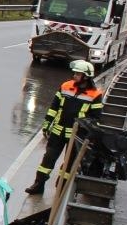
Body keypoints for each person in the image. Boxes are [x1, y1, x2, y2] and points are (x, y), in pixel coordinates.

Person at [25, 59, 103, 195]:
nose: (74, 76)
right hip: (58, 131)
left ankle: (61, 187)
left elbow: (95, 118)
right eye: (75, 73)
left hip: (76, 135)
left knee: (69, 163)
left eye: (78, 74)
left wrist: (88, 135)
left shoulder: (95, 95)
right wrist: (47, 123)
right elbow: (54, 107)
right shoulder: (66, 86)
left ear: (86, 76)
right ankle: (39, 184)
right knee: (48, 158)